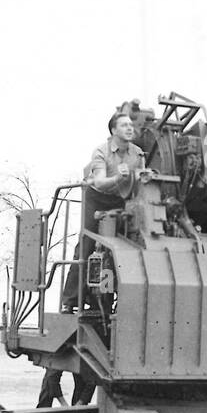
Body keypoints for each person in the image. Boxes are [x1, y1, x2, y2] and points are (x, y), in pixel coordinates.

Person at [61, 111, 147, 313]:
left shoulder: (138, 154)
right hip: (97, 198)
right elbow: (99, 181)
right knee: (87, 244)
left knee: (121, 247)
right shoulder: (101, 151)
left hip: (121, 200)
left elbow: (141, 181)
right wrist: (118, 177)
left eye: (130, 125)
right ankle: (71, 300)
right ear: (114, 130)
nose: (129, 128)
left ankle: (107, 302)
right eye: (124, 125)